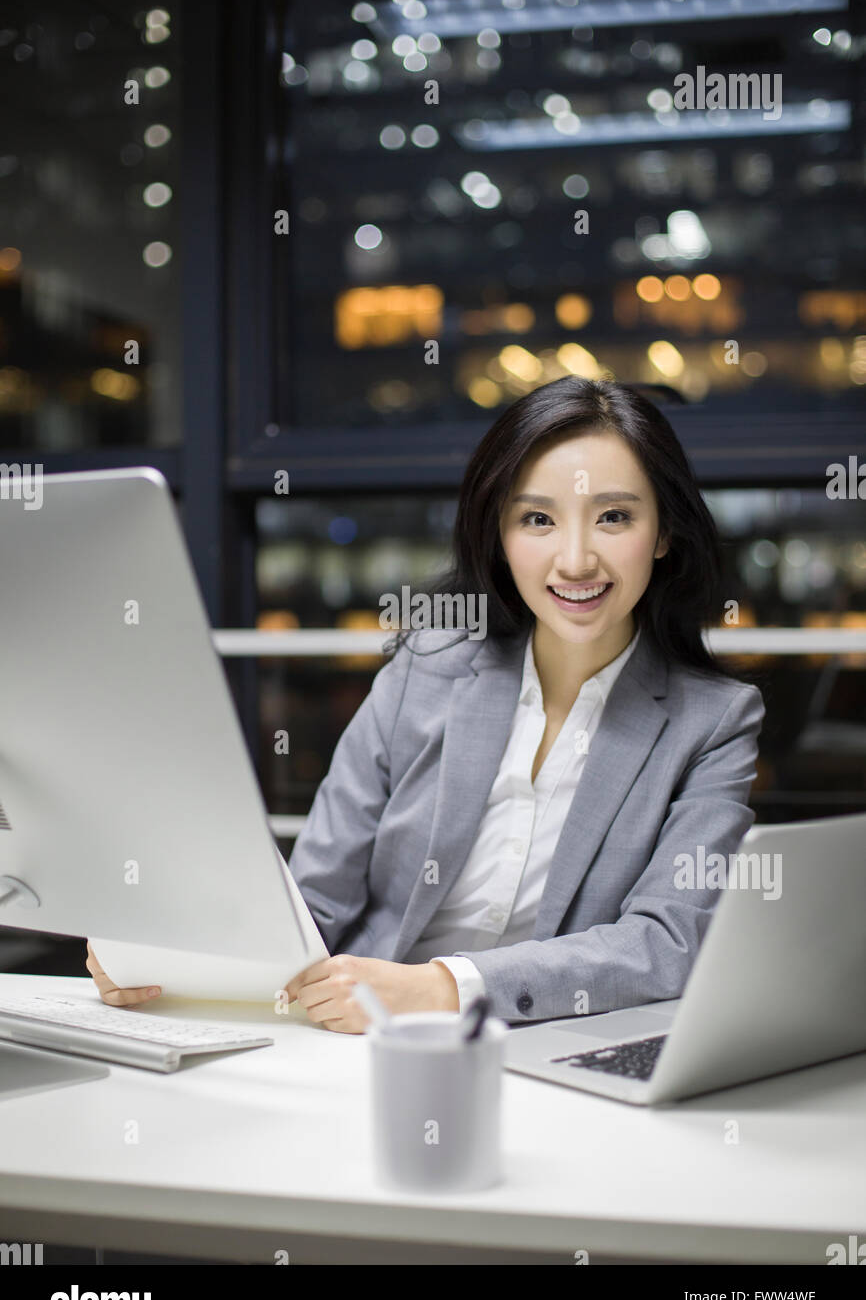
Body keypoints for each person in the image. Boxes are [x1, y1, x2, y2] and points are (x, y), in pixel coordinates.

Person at [87, 376, 765, 1035]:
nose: (576, 559)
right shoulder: (426, 667)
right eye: (537, 519)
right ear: (499, 535)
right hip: (359, 1039)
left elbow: (664, 943)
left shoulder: (714, 722)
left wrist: (441, 988)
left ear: (666, 532)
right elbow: (316, 899)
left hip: (549, 1046)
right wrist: (170, 960)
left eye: (614, 516)